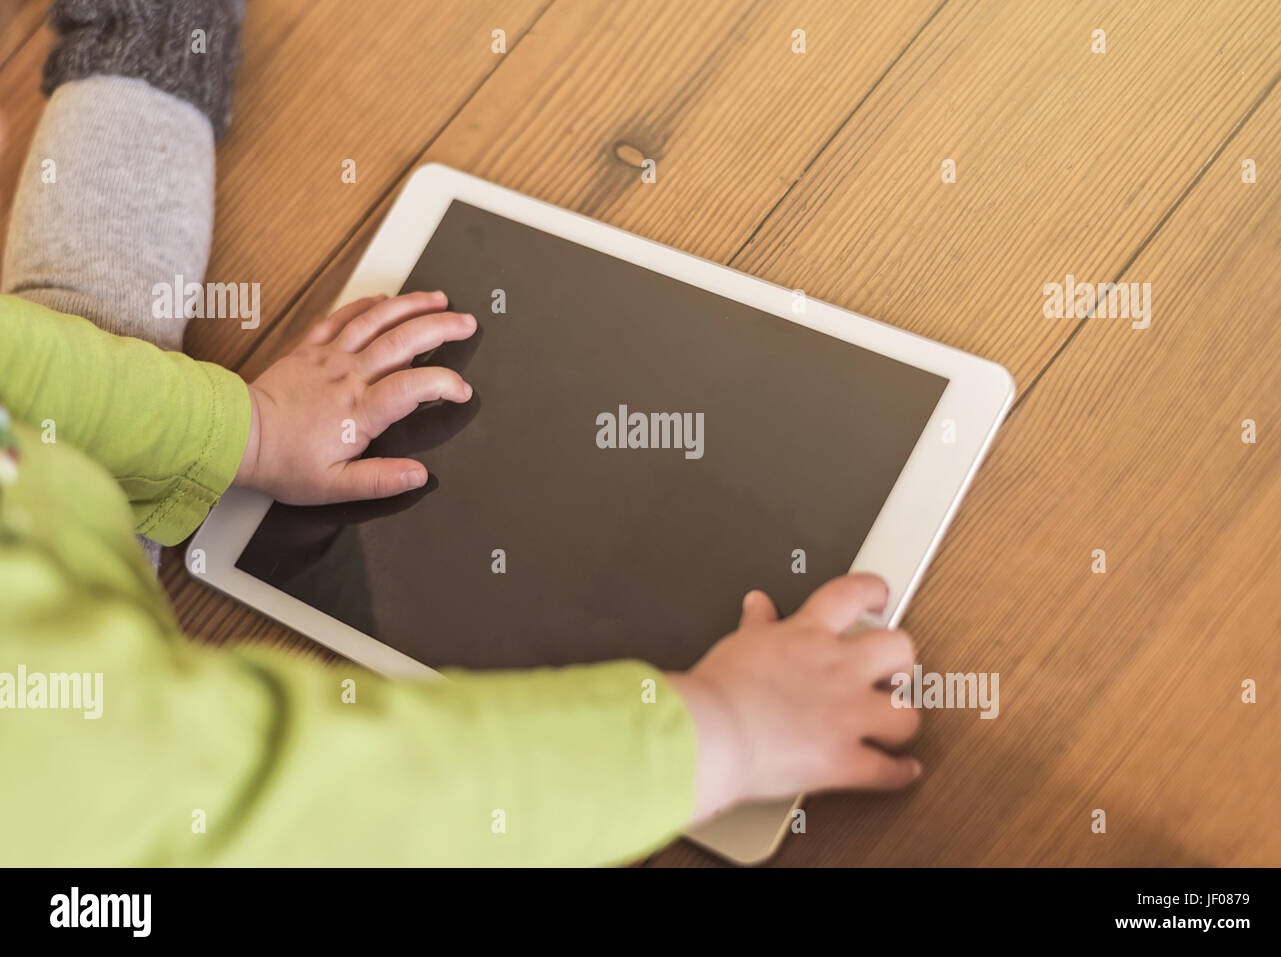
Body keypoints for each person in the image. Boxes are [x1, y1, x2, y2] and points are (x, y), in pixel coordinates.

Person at [0, 0, 921, 866]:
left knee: (83, 332)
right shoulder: (67, 769)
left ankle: (143, 51)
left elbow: (28, 359)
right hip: (110, 783)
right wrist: (719, 734)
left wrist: (245, 431)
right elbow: (330, 801)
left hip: (50, 511)